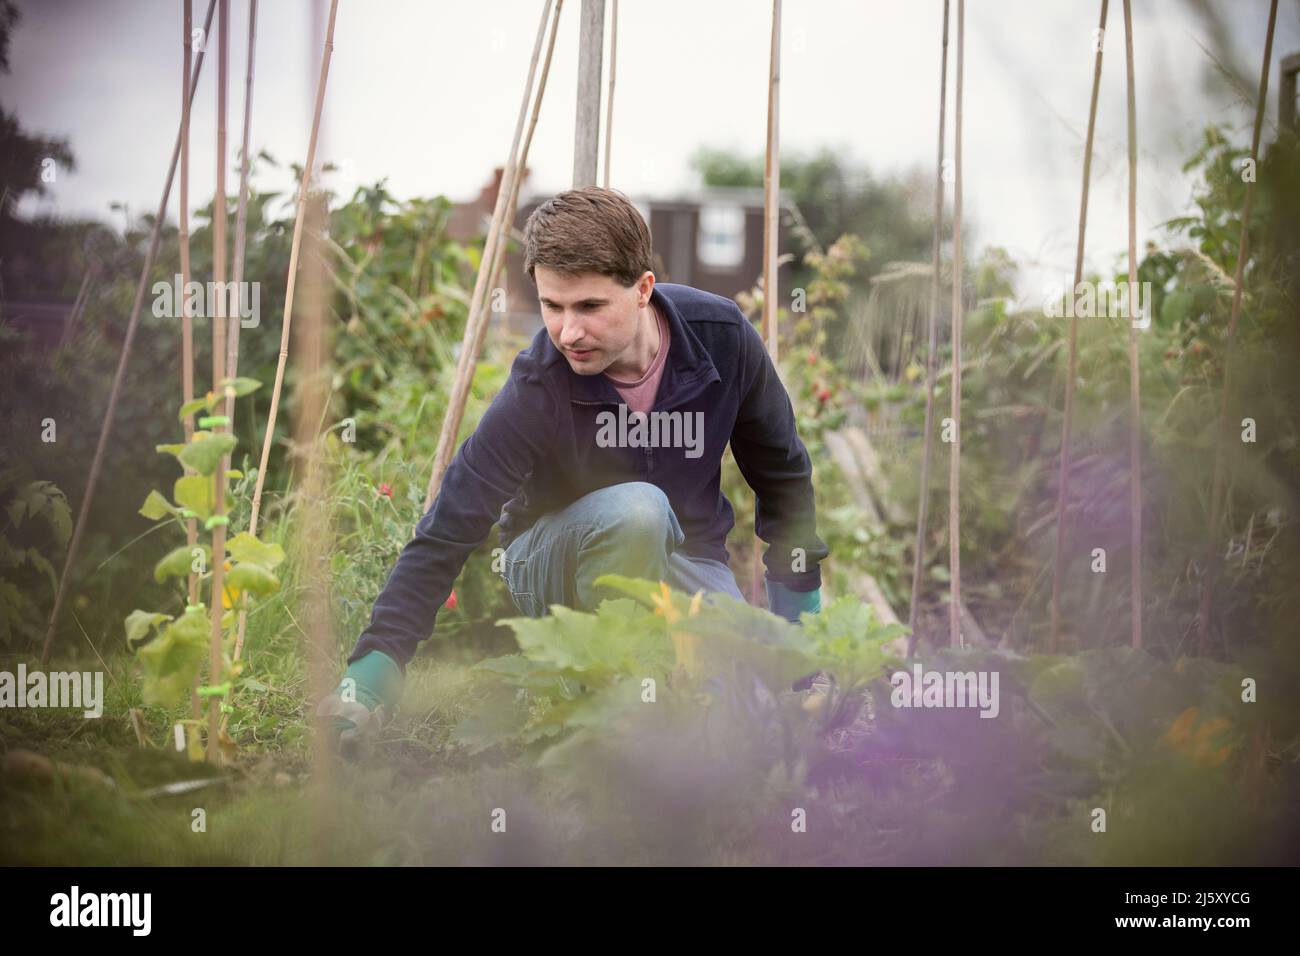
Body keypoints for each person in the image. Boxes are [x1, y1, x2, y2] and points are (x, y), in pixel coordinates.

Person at [321, 186, 828, 755]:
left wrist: (798, 635)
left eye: (588, 307)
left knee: (751, 710)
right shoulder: (540, 384)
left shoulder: (721, 340)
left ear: (642, 290)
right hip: (551, 558)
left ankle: (666, 690)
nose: (567, 333)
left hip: (685, 557)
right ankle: (599, 686)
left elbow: (781, 474)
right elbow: (450, 525)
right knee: (638, 511)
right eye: (551, 306)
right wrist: (370, 674)